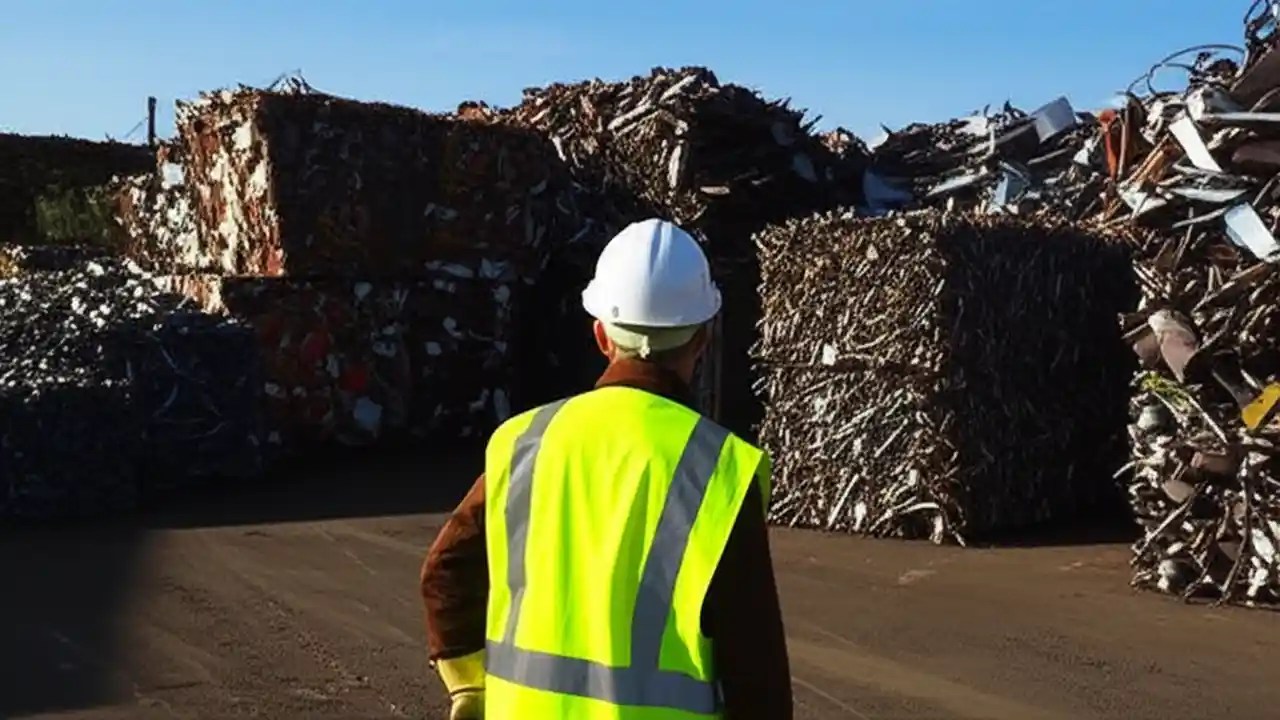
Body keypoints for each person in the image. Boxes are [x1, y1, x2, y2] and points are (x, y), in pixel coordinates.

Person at [419, 218, 792, 719]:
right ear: (702, 341)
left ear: (599, 335)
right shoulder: (719, 469)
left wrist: (470, 686)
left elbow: (445, 570)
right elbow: (756, 671)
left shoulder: (523, 443)